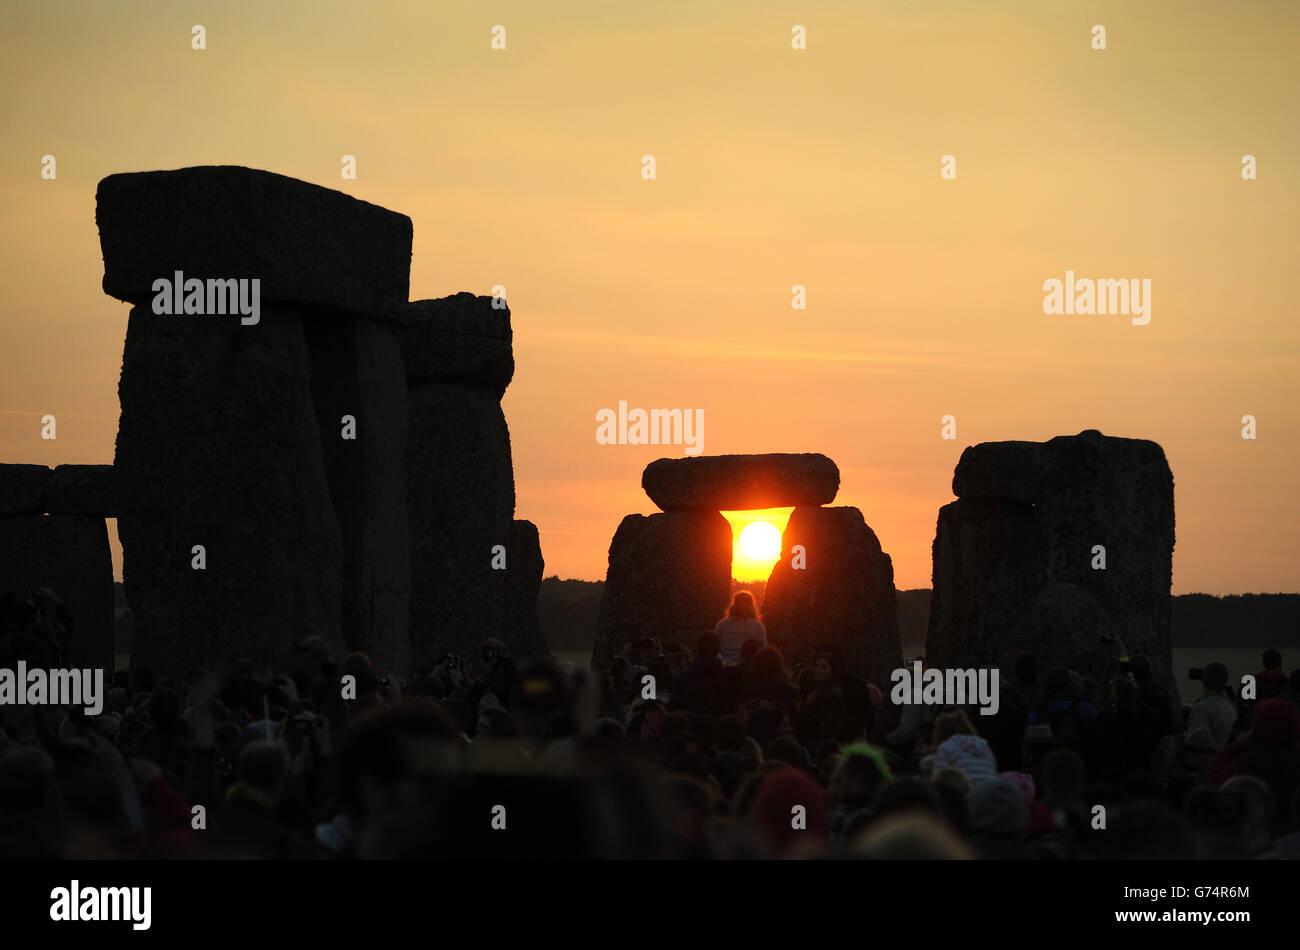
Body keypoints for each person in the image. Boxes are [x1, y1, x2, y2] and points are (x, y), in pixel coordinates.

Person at [932, 709, 998, 785]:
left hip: (965, 792)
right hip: (989, 790)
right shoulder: (983, 745)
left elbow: (938, 780)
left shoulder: (945, 748)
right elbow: (993, 770)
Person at [1185, 662, 1237, 751]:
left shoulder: (1202, 708)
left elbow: (1195, 743)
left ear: (1203, 679)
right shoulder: (1229, 706)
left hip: (1205, 761)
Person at [715, 592, 766, 667]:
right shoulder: (757, 626)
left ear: (734, 605)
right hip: (748, 666)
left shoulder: (723, 624)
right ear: (752, 606)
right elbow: (763, 649)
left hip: (724, 663)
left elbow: (715, 647)